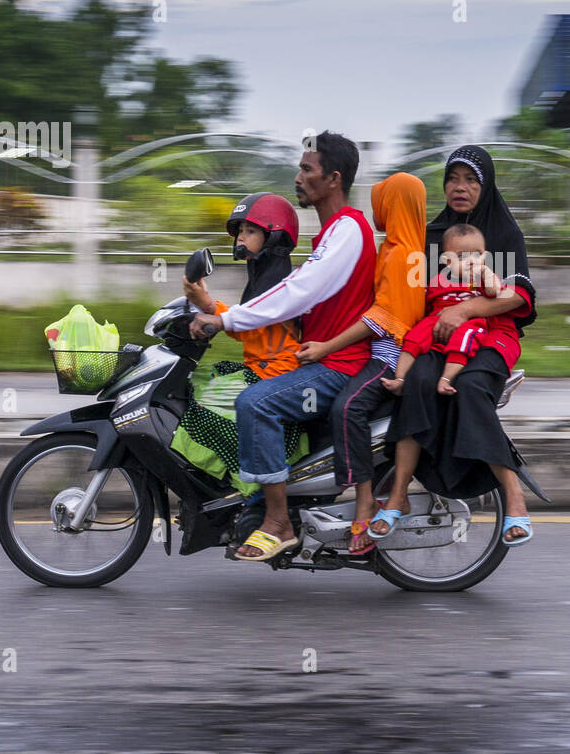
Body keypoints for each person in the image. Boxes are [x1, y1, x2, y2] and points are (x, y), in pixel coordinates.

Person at [188, 131, 376, 562]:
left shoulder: (349, 228)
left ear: (333, 178)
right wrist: (215, 310)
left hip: (339, 365)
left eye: (307, 169)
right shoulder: (329, 235)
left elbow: (297, 293)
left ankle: (278, 523)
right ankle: (252, 504)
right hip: (322, 358)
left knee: (256, 402)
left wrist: (223, 318)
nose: (298, 177)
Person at [372, 145, 537, 546]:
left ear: (486, 185)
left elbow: (519, 294)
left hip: (493, 334)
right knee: (416, 385)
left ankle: (515, 498)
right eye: (452, 178)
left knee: (473, 388)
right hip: (438, 336)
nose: (459, 188)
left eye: (470, 180)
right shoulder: (434, 236)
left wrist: (465, 311)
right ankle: (398, 496)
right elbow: (416, 292)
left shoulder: (503, 233)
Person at [297, 172, 427, 556]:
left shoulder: (404, 254)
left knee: (347, 407)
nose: (376, 208)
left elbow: (383, 319)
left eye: (383, 201)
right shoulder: (394, 247)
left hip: (390, 357)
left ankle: (365, 499)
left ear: (395, 205)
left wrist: (326, 347)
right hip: (379, 353)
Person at [169, 193, 305, 491]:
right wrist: (207, 308)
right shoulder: (262, 276)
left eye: (250, 231)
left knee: (206, 403)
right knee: (205, 382)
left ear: (274, 237)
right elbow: (245, 321)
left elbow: (249, 323)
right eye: (240, 230)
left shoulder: (281, 284)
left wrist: (207, 305)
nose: (241, 237)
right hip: (260, 370)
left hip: (274, 376)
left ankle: (248, 489)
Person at [381, 222, 519, 398]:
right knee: (413, 338)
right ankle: (399, 379)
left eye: (477, 255)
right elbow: (422, 301)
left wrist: (485, 271)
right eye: (462, 257)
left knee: (464, 339)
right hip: (436, 319)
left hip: (471, 321)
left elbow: (495, 291)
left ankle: (446, 379)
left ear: (484, 256)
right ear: (447, 261)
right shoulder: (438, 279)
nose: (471, 261)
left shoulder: (481, 279)